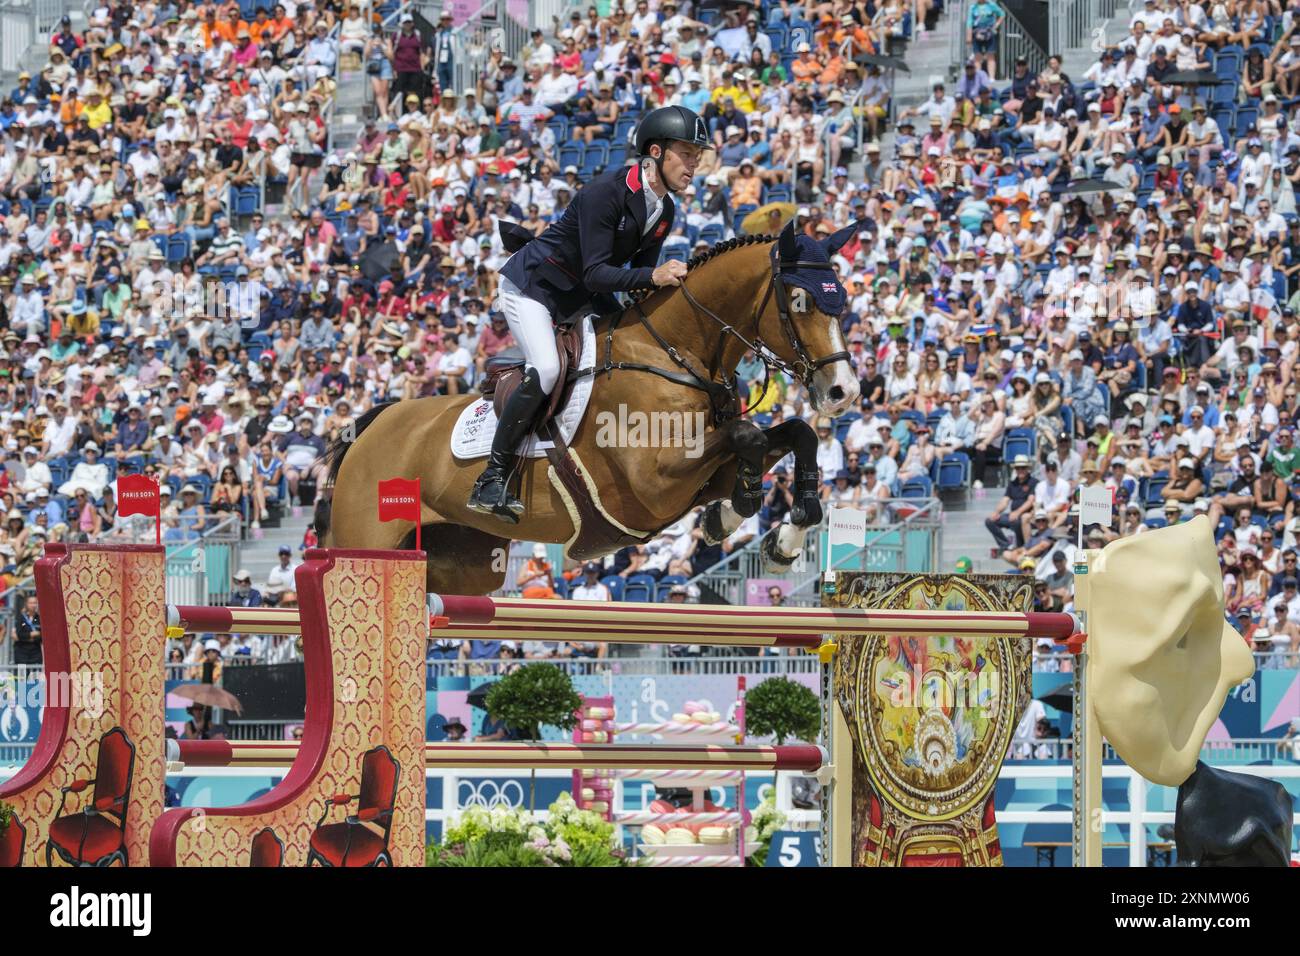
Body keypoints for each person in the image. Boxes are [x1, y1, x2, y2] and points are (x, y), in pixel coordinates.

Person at [468, 106, 711, 521]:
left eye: (697, 156)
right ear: (656, 152)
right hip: (535, 289)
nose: (695, 164)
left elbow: (634, 281)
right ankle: (491, 478)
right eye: (687, 154)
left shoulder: (664, 211)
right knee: (545, 369)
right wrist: (655, 274)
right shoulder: (606, 192)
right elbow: (599, 272)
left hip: (581, 296)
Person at [11, 593, 40, 667]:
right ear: (26, 604)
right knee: (21, 676)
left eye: (35, 603)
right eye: (31, 603)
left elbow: (41, 636)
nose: (33, 605)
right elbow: (19, 634)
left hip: (35, 653)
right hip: (21, 652)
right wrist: (32, 634)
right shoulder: (21, 617)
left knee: (35, 676)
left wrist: (24, 637)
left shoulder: (39, 618)